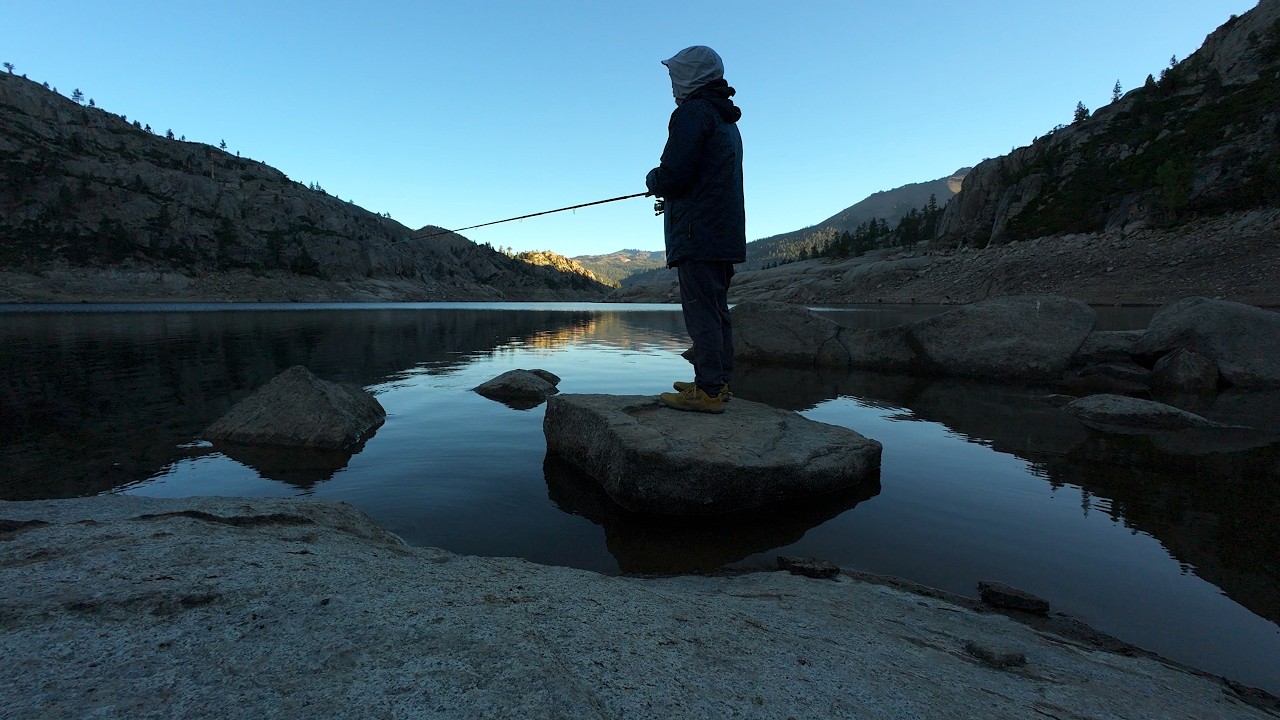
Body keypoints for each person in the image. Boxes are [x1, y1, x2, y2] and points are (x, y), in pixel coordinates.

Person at [645, 45, 746, 414]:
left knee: (702, 311)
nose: (672, 84)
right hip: (723, 233)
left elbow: (674, 175)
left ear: (691, 77)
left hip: (697, 233)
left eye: (675, 76)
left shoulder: (692, 113)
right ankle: (717, 384)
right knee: (717, 310)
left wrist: (654, 180)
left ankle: (708, 392)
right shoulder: (725, 119)